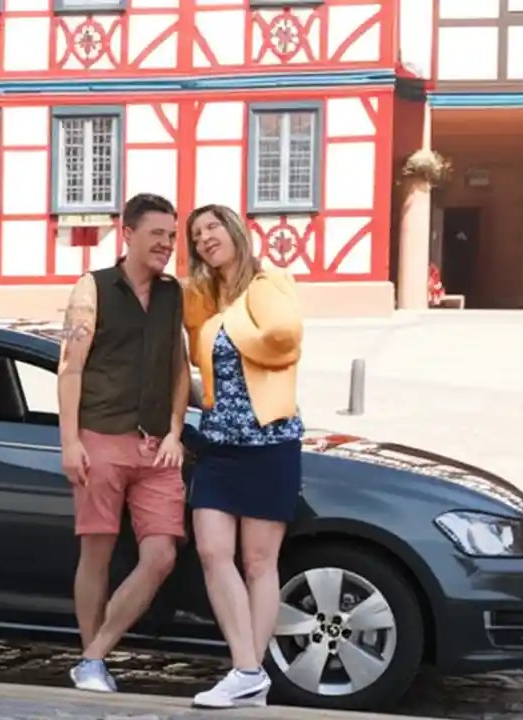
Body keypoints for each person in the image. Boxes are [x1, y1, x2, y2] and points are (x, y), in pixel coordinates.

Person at [57, 192, 190, 693]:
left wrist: (176, 429)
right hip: (101, 438)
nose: (167, 244)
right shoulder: (91, 288)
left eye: (171, 236)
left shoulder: (172, 293)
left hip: (157, 448)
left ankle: (93, 656)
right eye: (157, 234)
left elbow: (180, 367)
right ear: (128, 234)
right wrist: (70, 442)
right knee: (96, 554)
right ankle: (92, 666)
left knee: (161, 556)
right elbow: (70, 369)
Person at [180, 203, 305, 708]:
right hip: (218, 445)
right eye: (196, 235)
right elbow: (192, 356)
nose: (205, 238)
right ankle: (248, 669)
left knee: (258, 562)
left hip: (270, 442)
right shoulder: (202, 296)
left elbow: (285, 340)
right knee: (213, 552)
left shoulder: (268, 284)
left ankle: (248, 674)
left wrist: (229, 325)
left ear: (234, 230)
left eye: (212, 227)